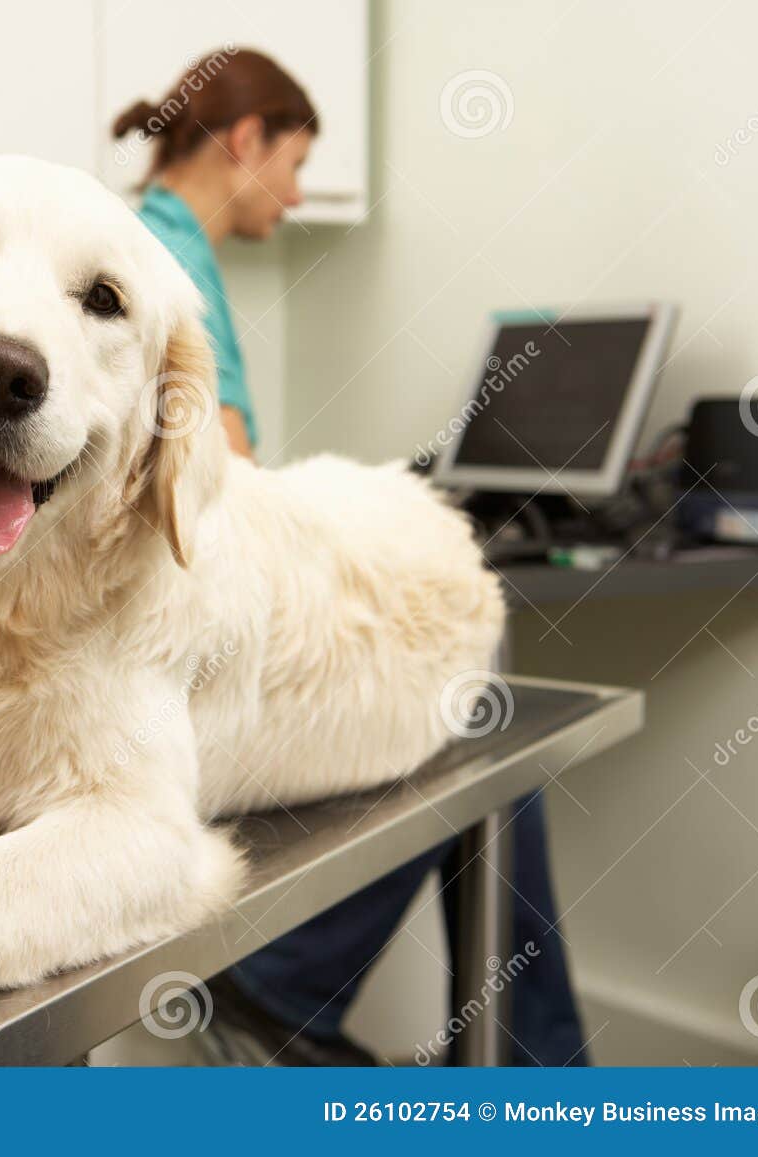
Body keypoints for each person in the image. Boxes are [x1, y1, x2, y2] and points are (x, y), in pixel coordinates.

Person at [115, 48, 589, 1067]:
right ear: (244, 141)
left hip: (152, 644)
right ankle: (298, 992)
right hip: (160, 670)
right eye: (291, 163)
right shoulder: (165, 268)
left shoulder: (144, 246)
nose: (292, 194)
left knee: (470, 708)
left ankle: (503, 1054)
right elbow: (219, 496)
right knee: (466, 699)